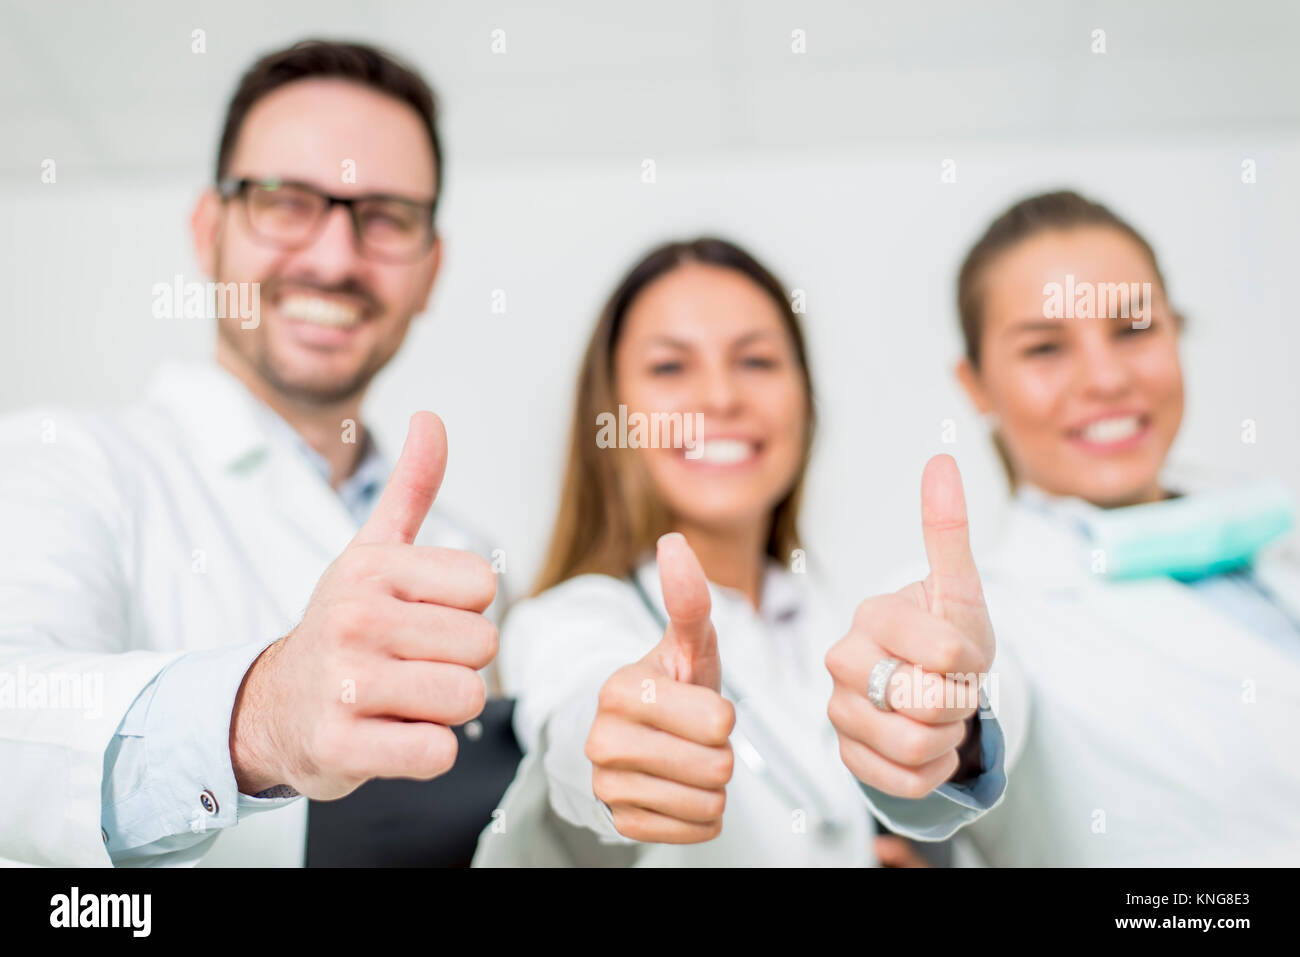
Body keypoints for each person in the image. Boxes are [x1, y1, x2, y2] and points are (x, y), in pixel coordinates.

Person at [0, 40, 501, 867]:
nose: (335, 258)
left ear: (431, 267)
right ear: (209, 231)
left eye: (386, 217)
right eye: (286, 200)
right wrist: (257, 718)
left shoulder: (470, 556)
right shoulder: (65, 463)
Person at [474, 238, 1007, 866]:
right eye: (670, 367)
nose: (721, 398)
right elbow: (575, 718)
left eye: (756, 361)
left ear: (805, 403)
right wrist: (615, 745)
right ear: (613, 411)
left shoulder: (833, 620)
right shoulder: (568, 621)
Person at [952, 190, 1300, 865]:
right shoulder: (996, 617)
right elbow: (948, 753)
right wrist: (925, 718)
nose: (1107, 378)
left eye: (1134, 330)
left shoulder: (1270, 546)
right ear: (977, 385)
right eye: (1046, 346)